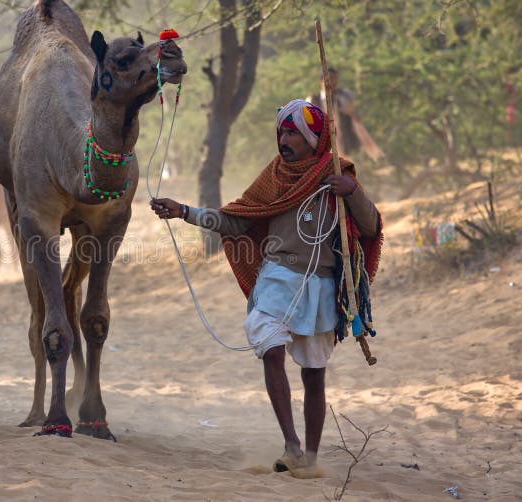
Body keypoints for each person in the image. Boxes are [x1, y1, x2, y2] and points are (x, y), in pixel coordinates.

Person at [150, 99, 383, 478]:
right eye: (282, 132)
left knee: (314, 376)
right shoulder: (273, 176)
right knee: (270, 347)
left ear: (314, 138)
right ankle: (290, 444)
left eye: (293, 132)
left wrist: (351, 191)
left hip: (321, 286)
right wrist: (185, 212)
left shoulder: (339, 175)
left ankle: (309, 455)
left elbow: (371, 228)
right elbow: (236, 220)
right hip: (277, 278)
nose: (285, 139)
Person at [308, 67, 384, 162]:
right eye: (329, 78)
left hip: (345, 141)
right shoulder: (313, 100)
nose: (332, 82)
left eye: (334, 78)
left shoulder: (343, 96)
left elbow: (354, 115)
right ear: (321, 80)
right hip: (324, 145)